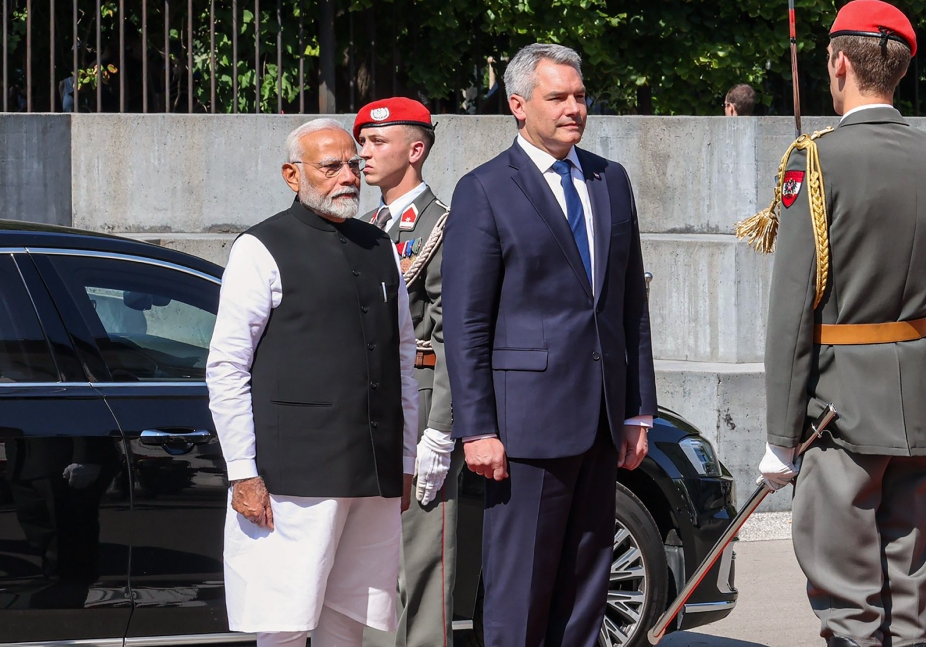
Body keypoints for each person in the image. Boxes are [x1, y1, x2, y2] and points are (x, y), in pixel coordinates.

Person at [752, 0, 926, 647]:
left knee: (851, 611)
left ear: (840, 63)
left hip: (838, 407)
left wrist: (780, 434)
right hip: (918, 396)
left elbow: (793, 309)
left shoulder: (815, 160)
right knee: (909, 608)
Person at [441, 43, 657, 647]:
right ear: (517, 105)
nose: (574, 109)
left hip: (601, 422)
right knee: (520, 593)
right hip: (524, 427)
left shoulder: (610, 180)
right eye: (557, 97)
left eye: (580, 96)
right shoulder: (483, 190)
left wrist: (638, 410)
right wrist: (477, 427)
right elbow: (466, 322)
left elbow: (628, 307)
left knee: (588, 587)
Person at [206, 118, 419, 647]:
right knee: (286, 620)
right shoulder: (261, 248)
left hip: (372, 471)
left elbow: (402, 357)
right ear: (292, 174)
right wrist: (242, 472)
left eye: (353, 164)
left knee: (348, 621)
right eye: (331, 167)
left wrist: (407, 461)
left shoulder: (380, 246)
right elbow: (226, 367)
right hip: (291, 477)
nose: (348, 176)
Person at [353, 97, 462, 647]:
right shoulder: (368, 225)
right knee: (372, 571)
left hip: (419, 413)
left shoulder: (445, 228)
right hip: (372, 414)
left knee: (419, 568)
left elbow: (450, 339)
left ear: (415, 149)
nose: (363, 153)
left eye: (377, 142)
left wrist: (440, 430)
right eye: (363, 142)